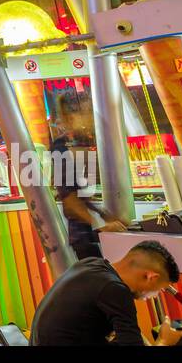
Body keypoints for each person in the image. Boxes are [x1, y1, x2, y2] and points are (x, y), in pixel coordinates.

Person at [30, 240, 182, 346]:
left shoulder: (90, 264)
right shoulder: (115, 290)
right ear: (151, 277)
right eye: (158, 290)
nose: (154, 296)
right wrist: (164, 341)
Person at [49, 94, 126, 259]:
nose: (90, 118)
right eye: (86, 113)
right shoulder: (61, 147)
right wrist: (100, 225)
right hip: (83, 237)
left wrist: (107, 216)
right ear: (70, 117)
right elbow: (70, 200)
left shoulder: (82, 143)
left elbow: (82, 196)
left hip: (93, 233)